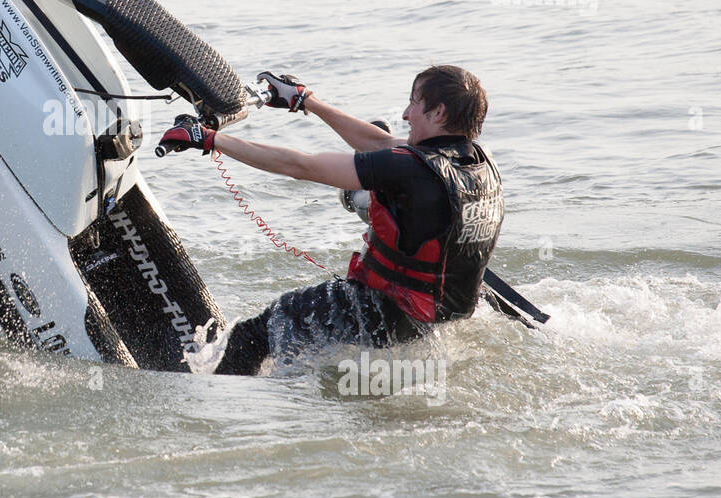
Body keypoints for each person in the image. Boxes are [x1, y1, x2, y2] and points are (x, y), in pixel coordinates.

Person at [157, 64, 504, 375]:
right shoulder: (479, 161)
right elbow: (379, 141)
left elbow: (301, 166)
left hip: (389, 313)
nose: (406, 112)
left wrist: (210, 139)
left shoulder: (408, 167)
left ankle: (224, 409)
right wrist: (306, 101)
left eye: (414, 102)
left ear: (438, 111)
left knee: (256, 332)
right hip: (442, 314)